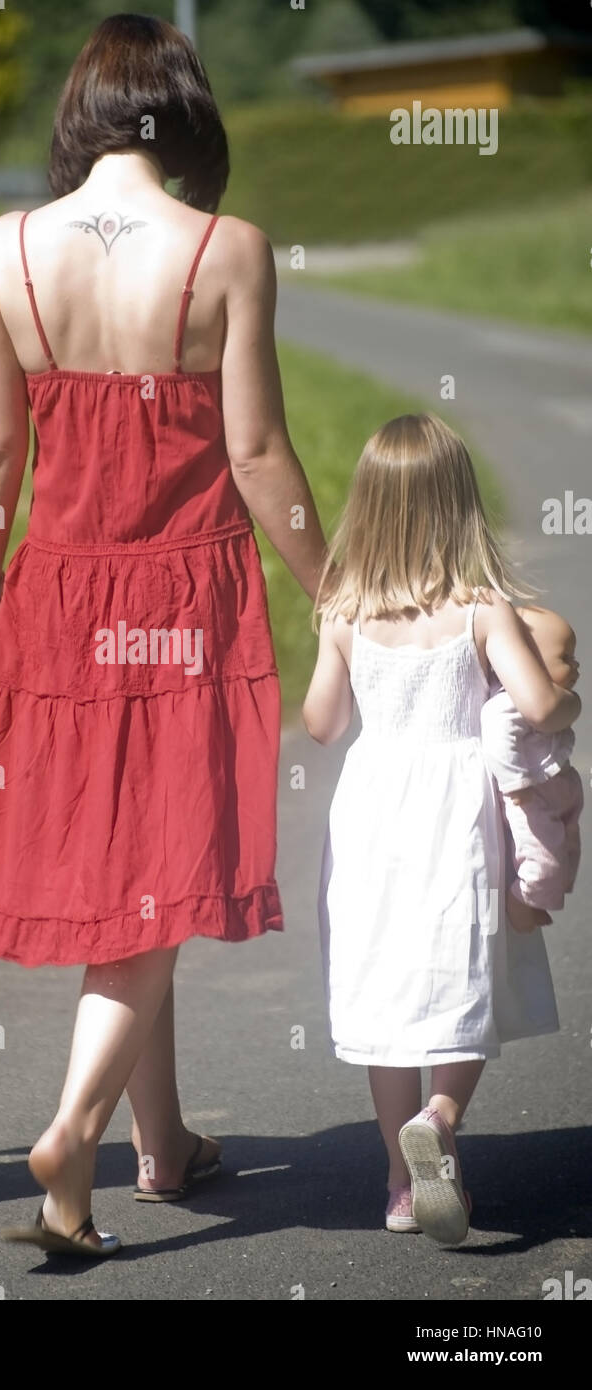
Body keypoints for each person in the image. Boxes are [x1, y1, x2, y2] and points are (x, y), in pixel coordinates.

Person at [0, 14, 326, 1256]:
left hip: (60, 598)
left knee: (132, 874)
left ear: (76, 113)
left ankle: (158, 1145)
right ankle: (70, 1129)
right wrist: (333, 585)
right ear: (184, 110)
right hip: (178, 605)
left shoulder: (3, 250)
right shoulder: (226, 249)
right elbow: (257, 451)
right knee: (161, 870)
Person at [302, 413, 580, 1247]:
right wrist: (566, 701)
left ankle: (397, 1182)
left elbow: (320, 724)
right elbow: (538, 704)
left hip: (374, 802)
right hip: (457, 807)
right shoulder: (480, 609)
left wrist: (333, 645)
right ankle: (442, 1116)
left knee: (387, 985)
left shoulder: (345, 609)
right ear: (460, 505)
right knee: (467, 969)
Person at [480, 606, 582, 927]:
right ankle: (521, 900)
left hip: (557, 794)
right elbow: (497, 738)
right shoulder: (509, 703)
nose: (576, 666)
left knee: (567, 852)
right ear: (530, 663)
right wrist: (516, 784)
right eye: (565, 658)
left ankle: (545, 893)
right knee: (543, 860)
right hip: (531, 799)